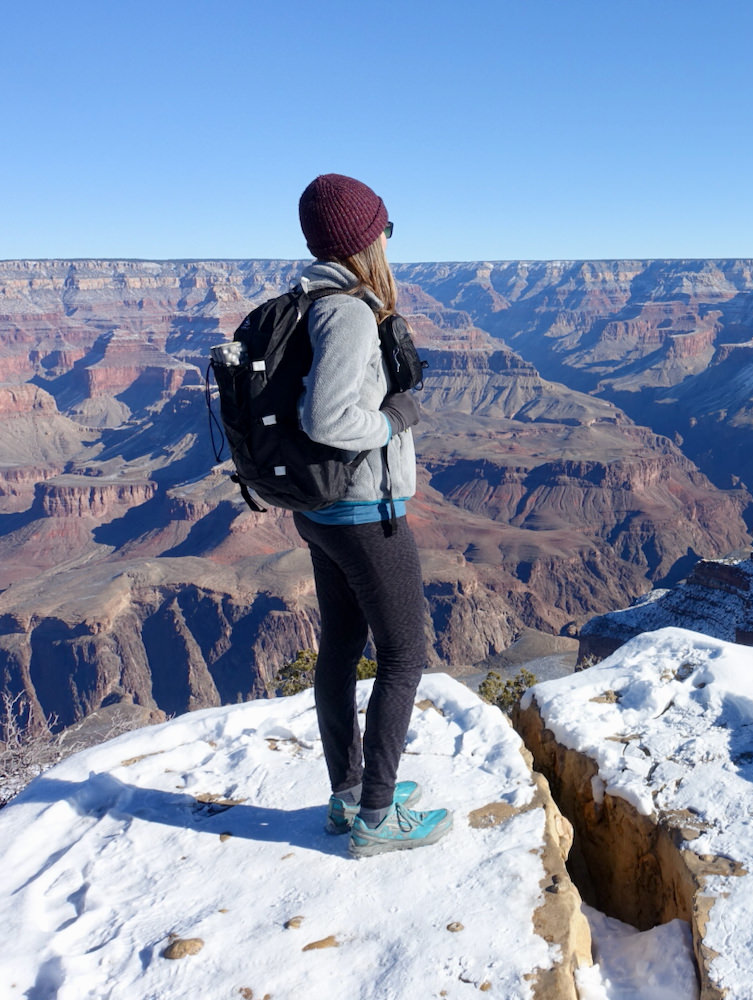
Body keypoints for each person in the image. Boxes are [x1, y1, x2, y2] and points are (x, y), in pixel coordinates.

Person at [293, 172, 450, 858]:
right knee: (404, 655)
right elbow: (327, 419)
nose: (388, 240)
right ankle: (377, 816)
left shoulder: (306, 300)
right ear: (366, 239)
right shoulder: (350, 311)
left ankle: (348, 793)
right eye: (384, 229)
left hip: (320, 509)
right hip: (362, 511)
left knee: (340, 649)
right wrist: (394, 420)